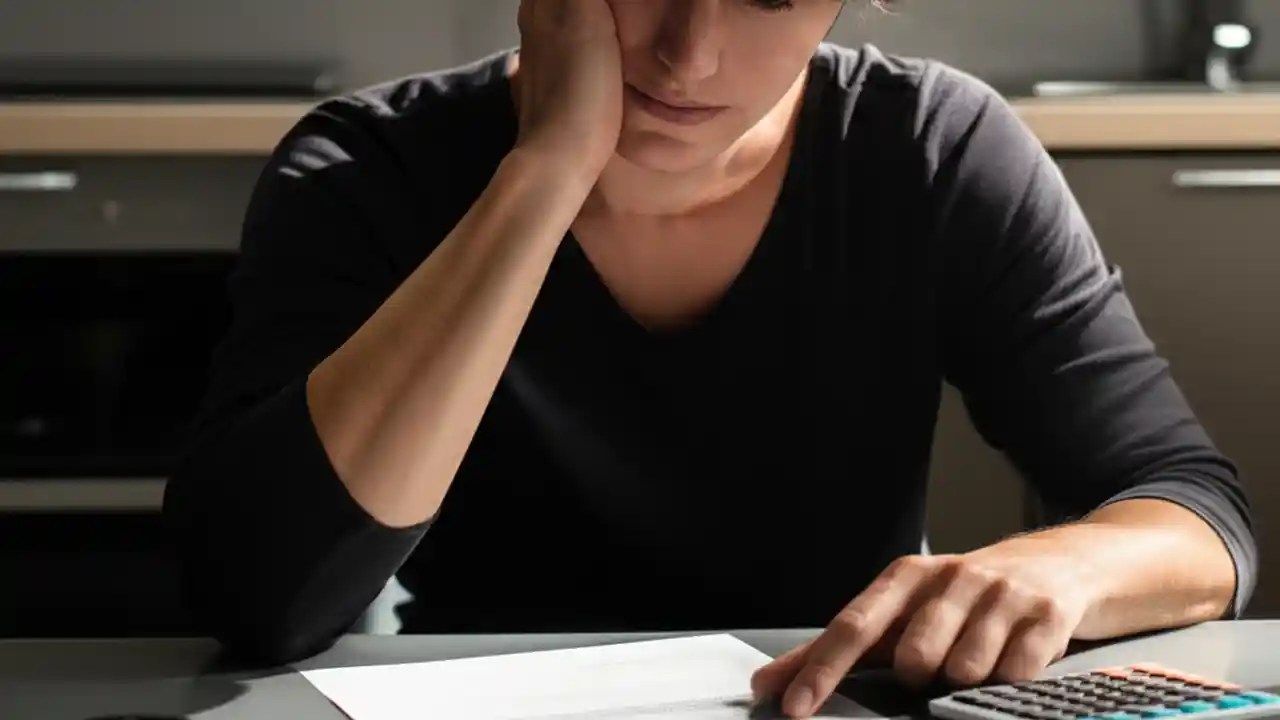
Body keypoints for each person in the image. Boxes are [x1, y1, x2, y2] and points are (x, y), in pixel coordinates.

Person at [163, 0, 1257, 716]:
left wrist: (1060, 568)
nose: (688, 53)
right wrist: (544, 174)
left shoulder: (930, 148)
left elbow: (1195, 517)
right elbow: (265, 596)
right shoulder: (368, 166)